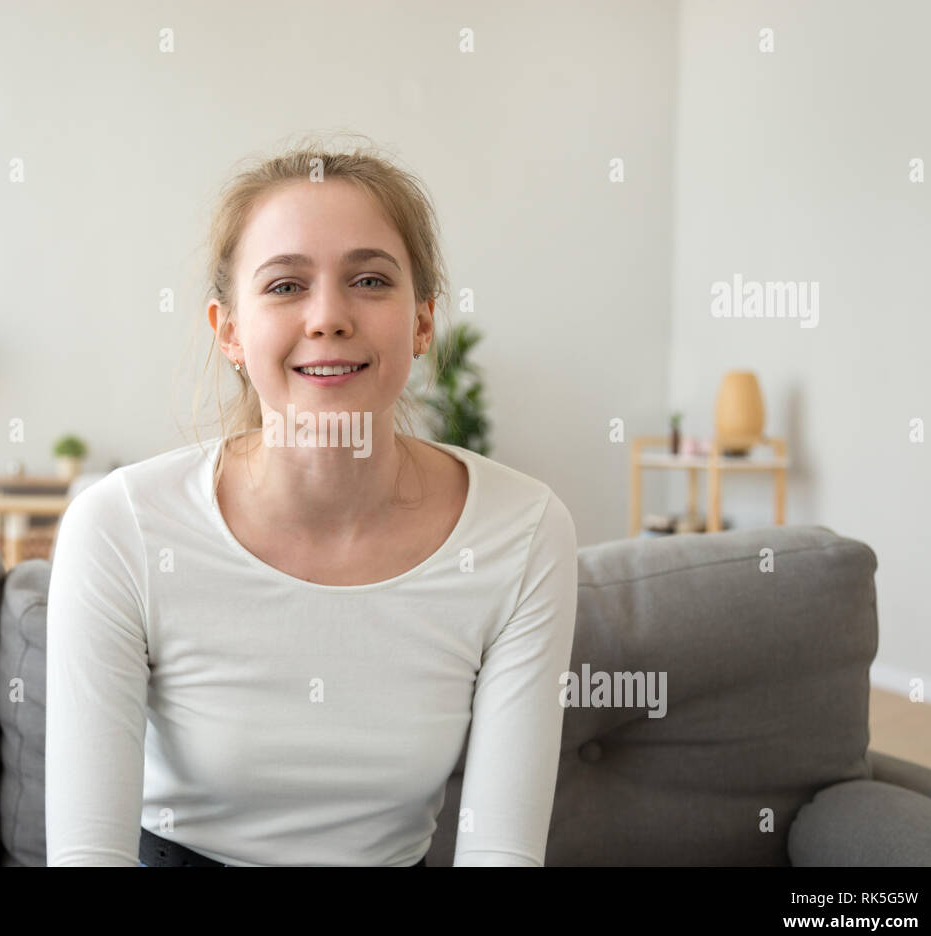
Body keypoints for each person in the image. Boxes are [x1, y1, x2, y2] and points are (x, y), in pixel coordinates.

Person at [45, 136, 578, 866]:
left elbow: (502, 854)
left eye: (370, 280)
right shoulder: (119, 527)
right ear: (230, 331)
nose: (328, 317)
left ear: (423, 322)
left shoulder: (523, 530)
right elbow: (87, 855)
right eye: (286, 286)